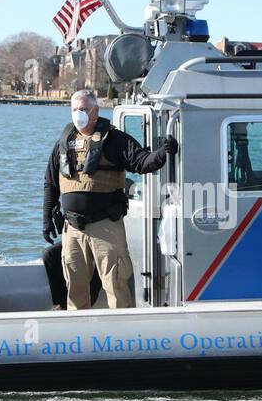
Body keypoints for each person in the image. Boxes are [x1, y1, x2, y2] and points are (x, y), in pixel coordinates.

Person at [42, 90, 177, 309]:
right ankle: (78, 335)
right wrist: (47, 219)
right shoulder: (64, 142)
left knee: (115, 283)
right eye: (74, 109)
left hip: (105, 225)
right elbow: (50, 183)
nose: (78, 114)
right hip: (73, 228)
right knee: (74, 284)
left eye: (83, 109)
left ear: (95, 111)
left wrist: (163, 153)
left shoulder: (114, 139)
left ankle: (121, 334)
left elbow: (141, 162)